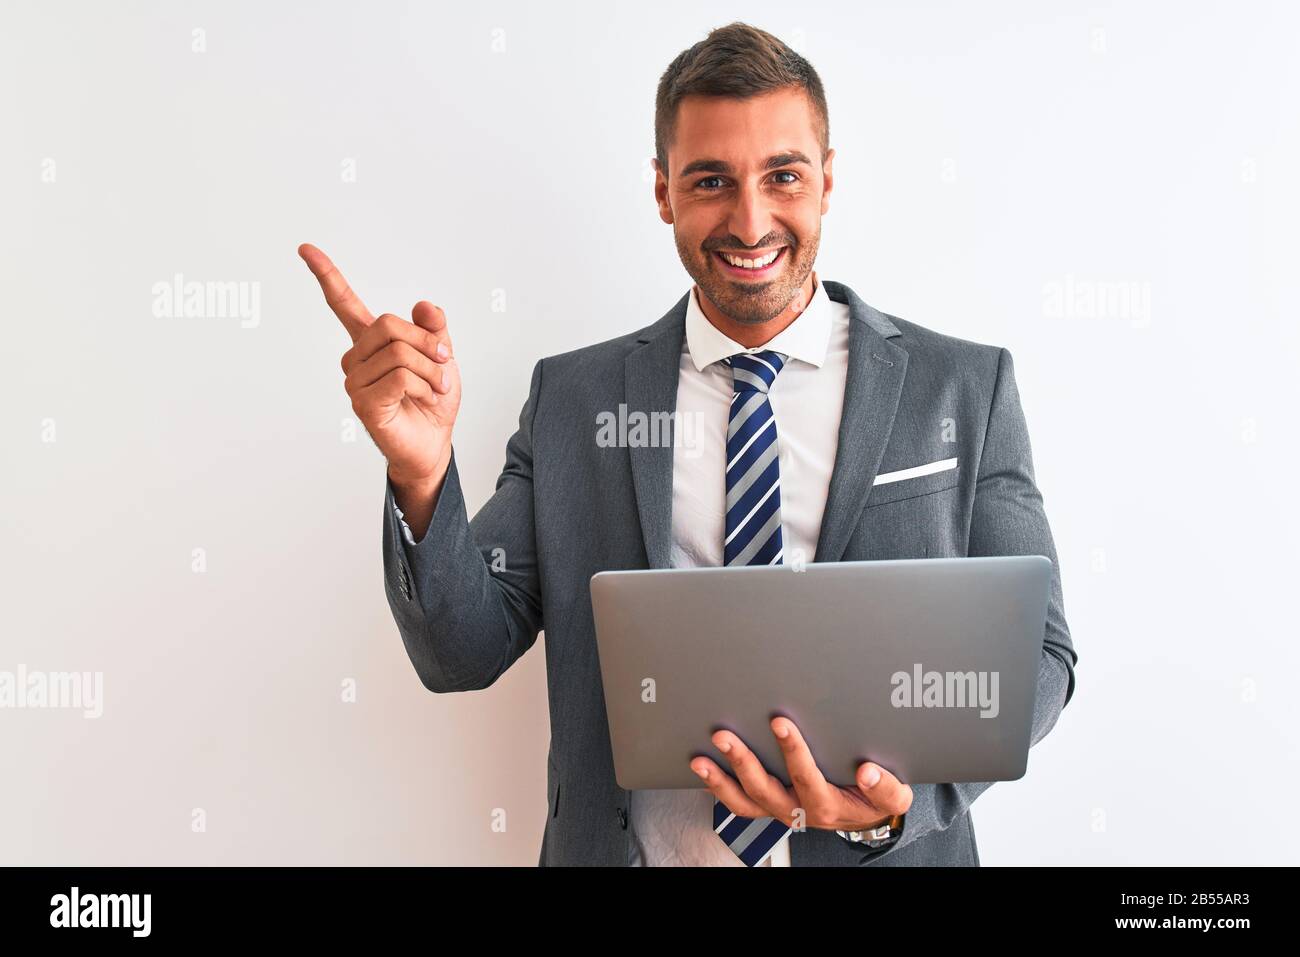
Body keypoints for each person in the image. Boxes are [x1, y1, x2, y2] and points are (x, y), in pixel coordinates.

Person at [299, 21, 1077, 867]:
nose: (750, 222)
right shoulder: (574, 401)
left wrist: (892, 806)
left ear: (826, 183)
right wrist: (422, 475)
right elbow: (461, 651)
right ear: (664, 190)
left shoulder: (961, 387)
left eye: (783, 175)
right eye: (711, 181)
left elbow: (1041, 656)